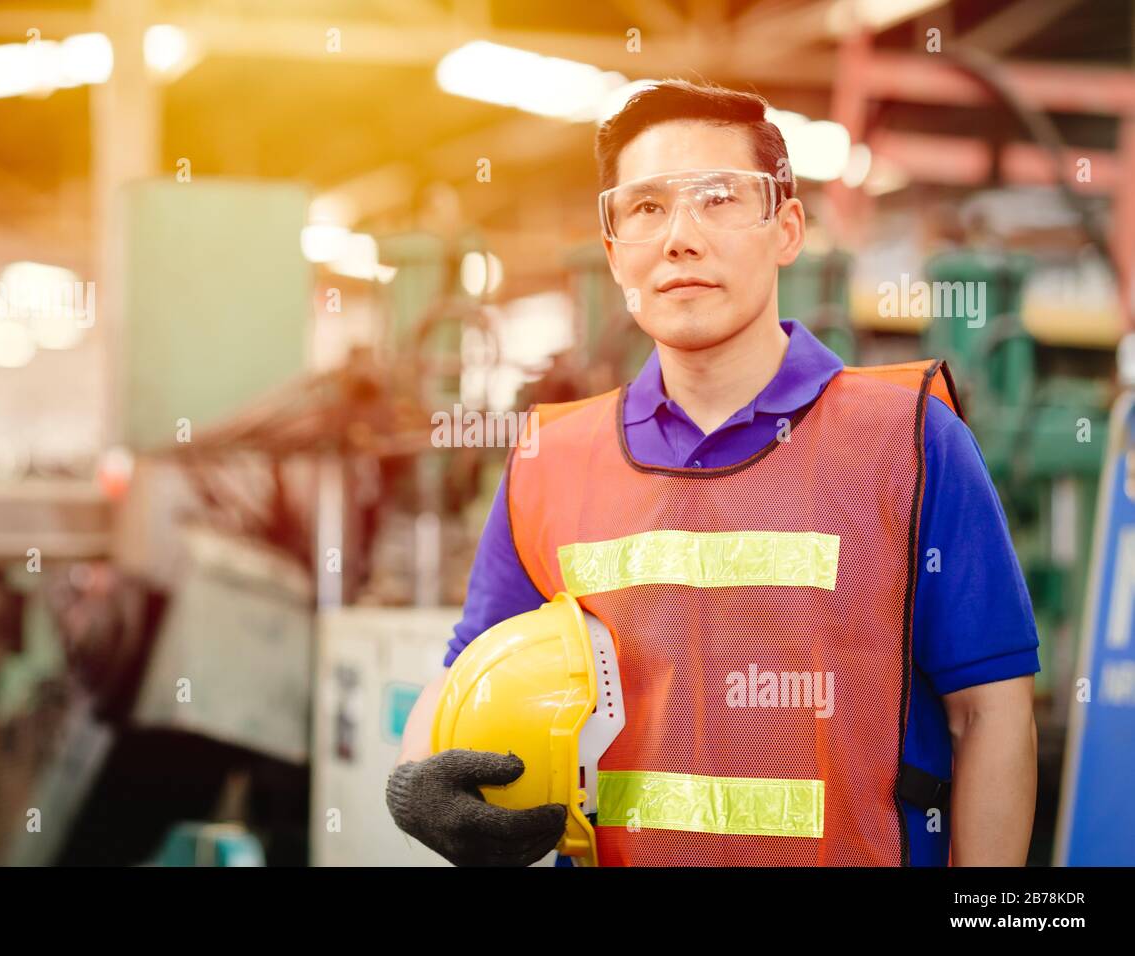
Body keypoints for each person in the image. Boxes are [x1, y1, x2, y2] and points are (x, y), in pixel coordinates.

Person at [387, 79, 1039, 867]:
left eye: (719, 199)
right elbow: (468, 672)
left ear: (787, 229)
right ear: (614, 252)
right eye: (646, 207)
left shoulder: (909, 442)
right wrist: (414, 779)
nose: (680, 238)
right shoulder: (549, 460)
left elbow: (990, 715)